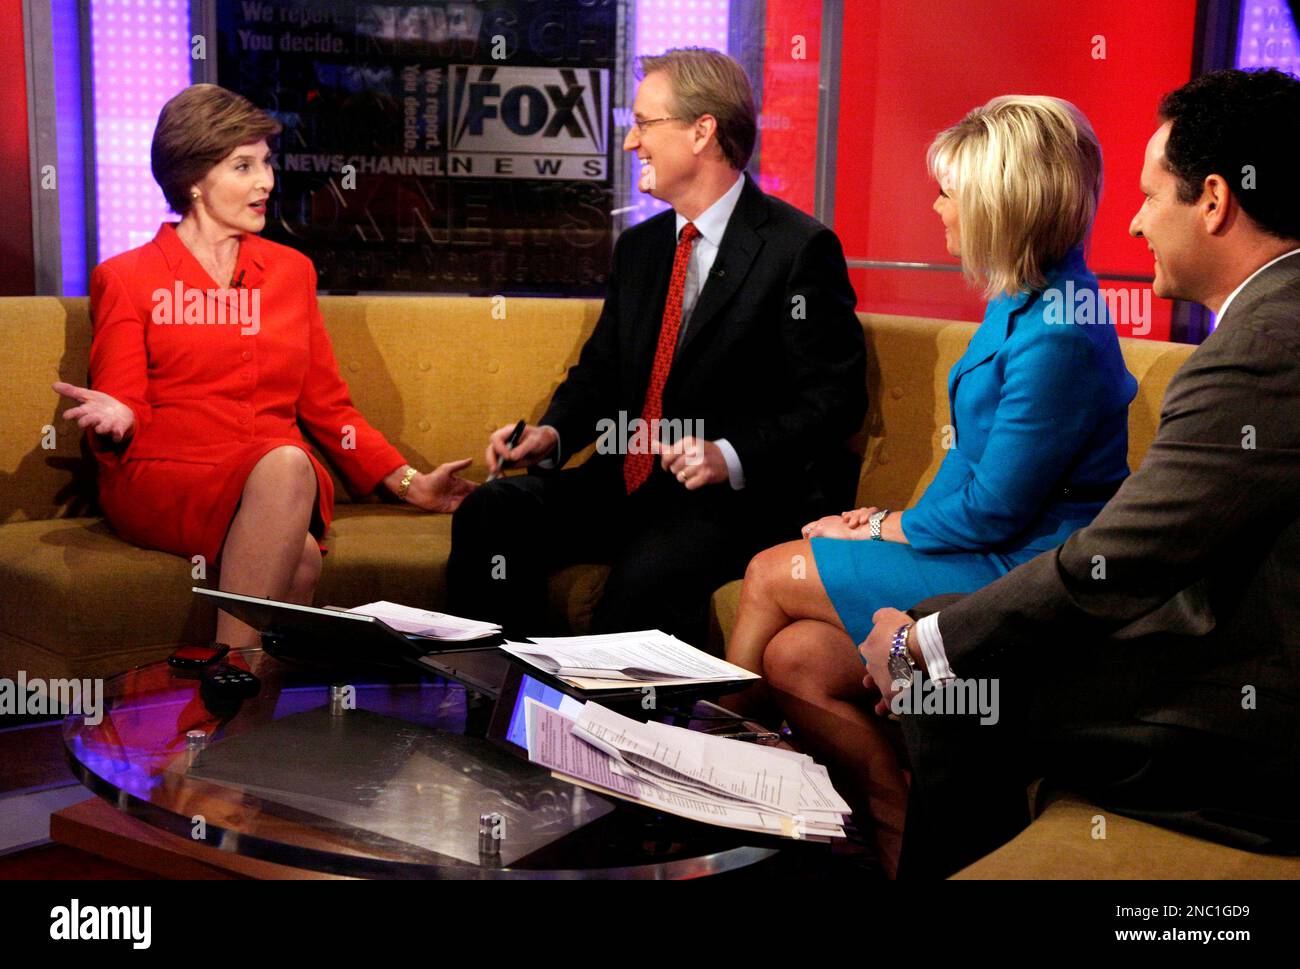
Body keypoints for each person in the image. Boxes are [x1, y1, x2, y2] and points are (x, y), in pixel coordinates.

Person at [844, 68, 1300, 879]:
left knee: (950, 683)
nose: (1130, 223)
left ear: (1216, 201)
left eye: (1150, 194)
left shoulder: (1267, 344)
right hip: (1228, 649)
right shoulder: (1269, 323)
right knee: (943, 640)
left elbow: (1125, 556)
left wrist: (926, 647)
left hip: (1255, 730)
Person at [738, 95, 1138, 875]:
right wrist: (887, 518)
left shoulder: (1059, 330)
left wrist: (882, 526)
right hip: (984, 540)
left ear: (1000, 202)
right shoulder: (1023, 296)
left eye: (952, 190)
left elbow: (995, 510)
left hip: (1026, 565)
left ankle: (708, 772)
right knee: (797, 660)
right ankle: (895, 825)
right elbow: (975, 471)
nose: (938, 204)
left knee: (766, 571)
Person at [446, 48, 866, 645]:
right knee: (492, 514)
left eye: (644, 124)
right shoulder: (641, 248)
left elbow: (834, 398)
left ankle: (608, 735)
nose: (629, 143)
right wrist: (553, 434)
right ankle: (500, 710)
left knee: (642, 587)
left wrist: (728, 452)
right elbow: (603, 370)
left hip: (728, 502)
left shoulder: (797, 248)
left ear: (702, 131)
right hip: (624, 480)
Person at [54, 84, 474, 650]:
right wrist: (120, 415)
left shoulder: (290, 272)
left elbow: (328, 407)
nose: (266, 182)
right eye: (243, 166)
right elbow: (123, 397)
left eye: (267, 163)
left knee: (288, 480)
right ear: (194, 180)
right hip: (169, 472)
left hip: (274, 480)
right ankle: (236, 706)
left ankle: (225, 704)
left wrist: (410, 484)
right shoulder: (128, 277)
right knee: (292, 518)